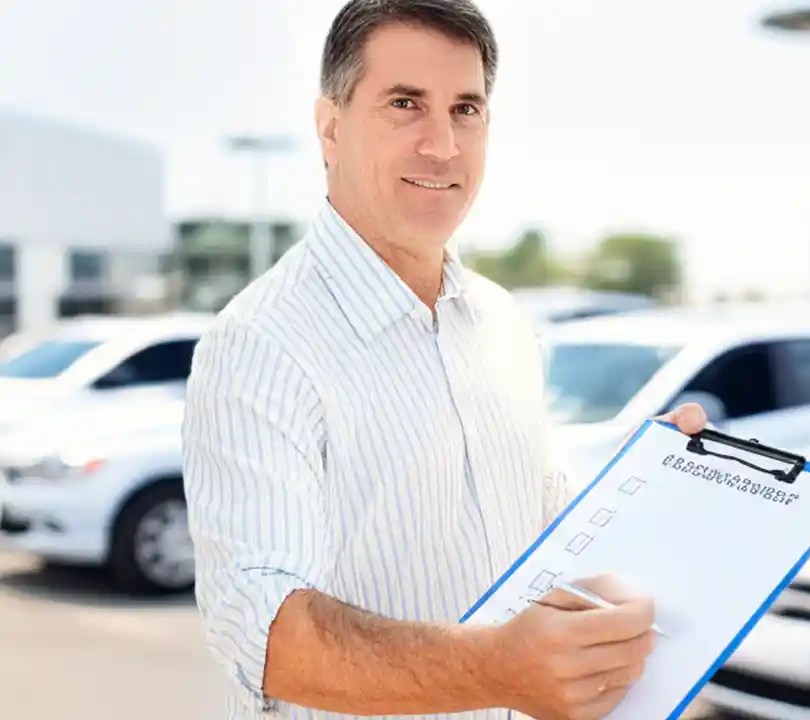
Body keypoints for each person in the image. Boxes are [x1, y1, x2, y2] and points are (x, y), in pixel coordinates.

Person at [180, 1, 706, 718]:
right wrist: (497, 668)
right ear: (330, 127)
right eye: (405, 104)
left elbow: (537, 535)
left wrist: (650, 485)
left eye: (466, 109)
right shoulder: (261, 344)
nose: (443, 145)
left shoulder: (502, 323)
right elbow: (268, 634)